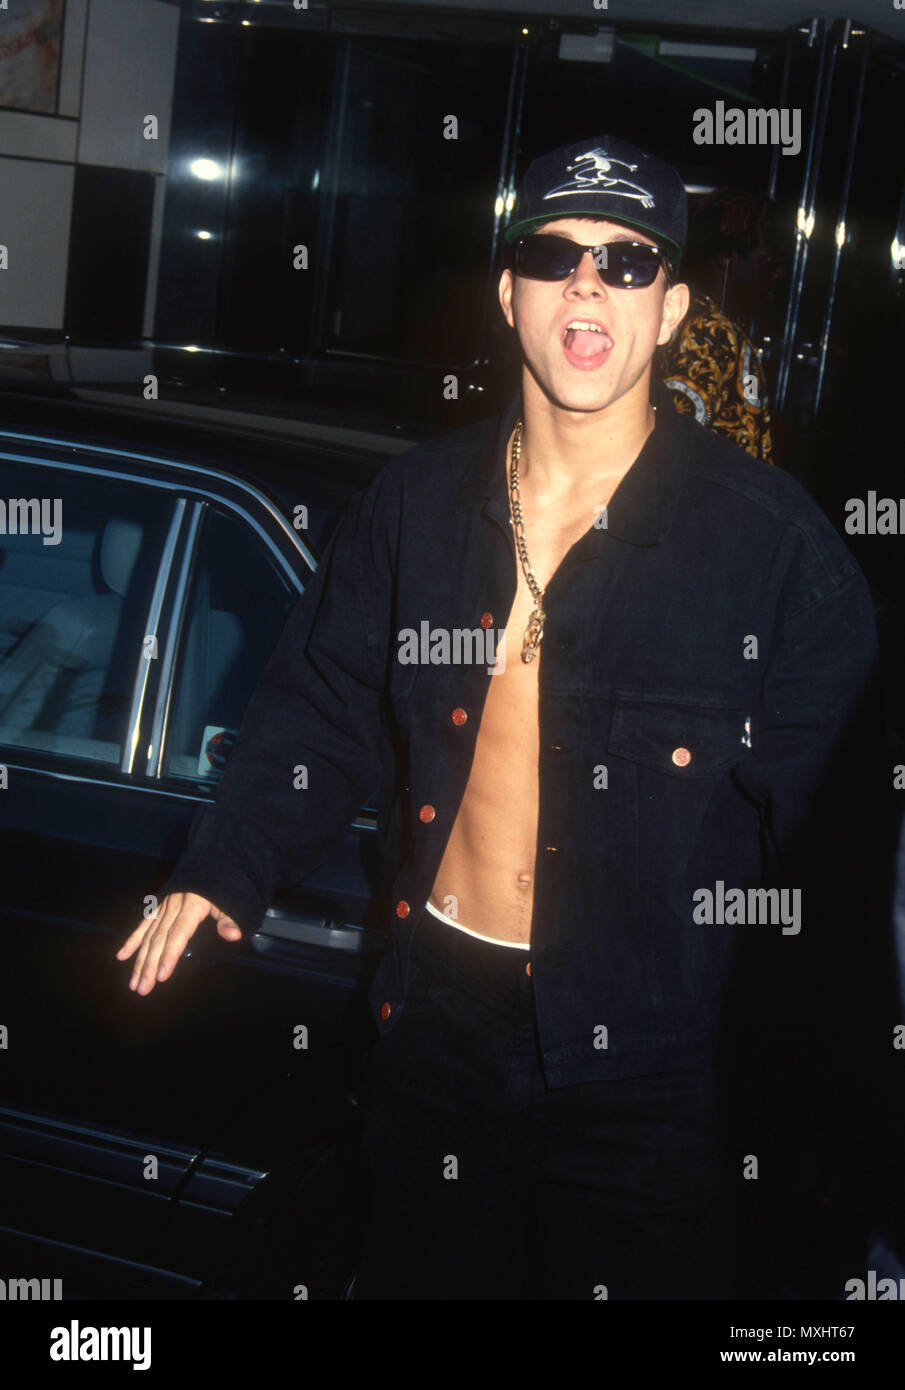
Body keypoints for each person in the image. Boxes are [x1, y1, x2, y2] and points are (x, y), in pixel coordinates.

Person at [116, 134, 883, 1300]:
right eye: (553, 253)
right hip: (435, 1024)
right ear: (507, 292)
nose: (587, 283)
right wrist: (227, 865)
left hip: (655, 1066)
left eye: (627, 263)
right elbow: (324, 708)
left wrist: (825, 1102)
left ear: (671, 308)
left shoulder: (772, 557)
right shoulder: (416, 506)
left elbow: (832, 868)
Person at [659, 187, 784, 464]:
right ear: (728, 260)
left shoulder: (703, 321)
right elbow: (675, 454)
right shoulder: (709, 330)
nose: (779, 273)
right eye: (769, 261)